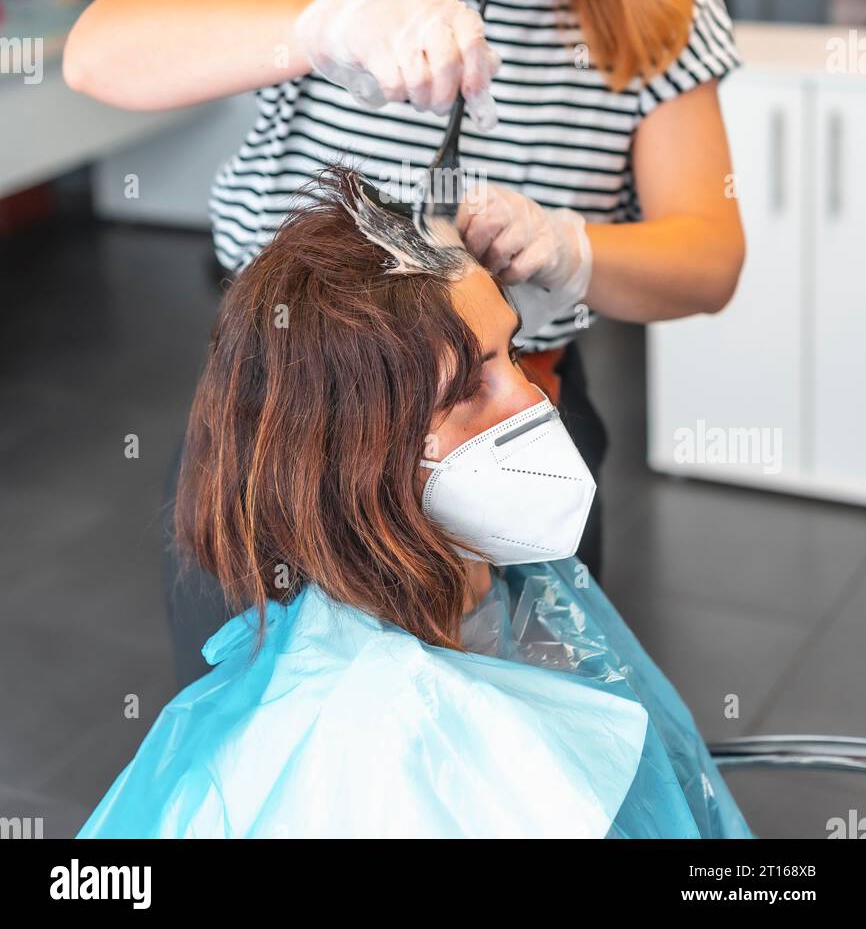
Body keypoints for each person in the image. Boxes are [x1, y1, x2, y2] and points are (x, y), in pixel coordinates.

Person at [63, 0, 745, 677]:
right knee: (276, 725)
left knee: (521, 727)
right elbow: (103, 48)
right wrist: (325, 19)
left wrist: (574, 246)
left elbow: (706, 259)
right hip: (297, 419)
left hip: (514, 421)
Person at [76, 168, 752, 840]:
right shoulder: (371, 735)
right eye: (466, 390)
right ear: (355, 454)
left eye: (512, 354)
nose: (534, 401)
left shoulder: (505, 582)